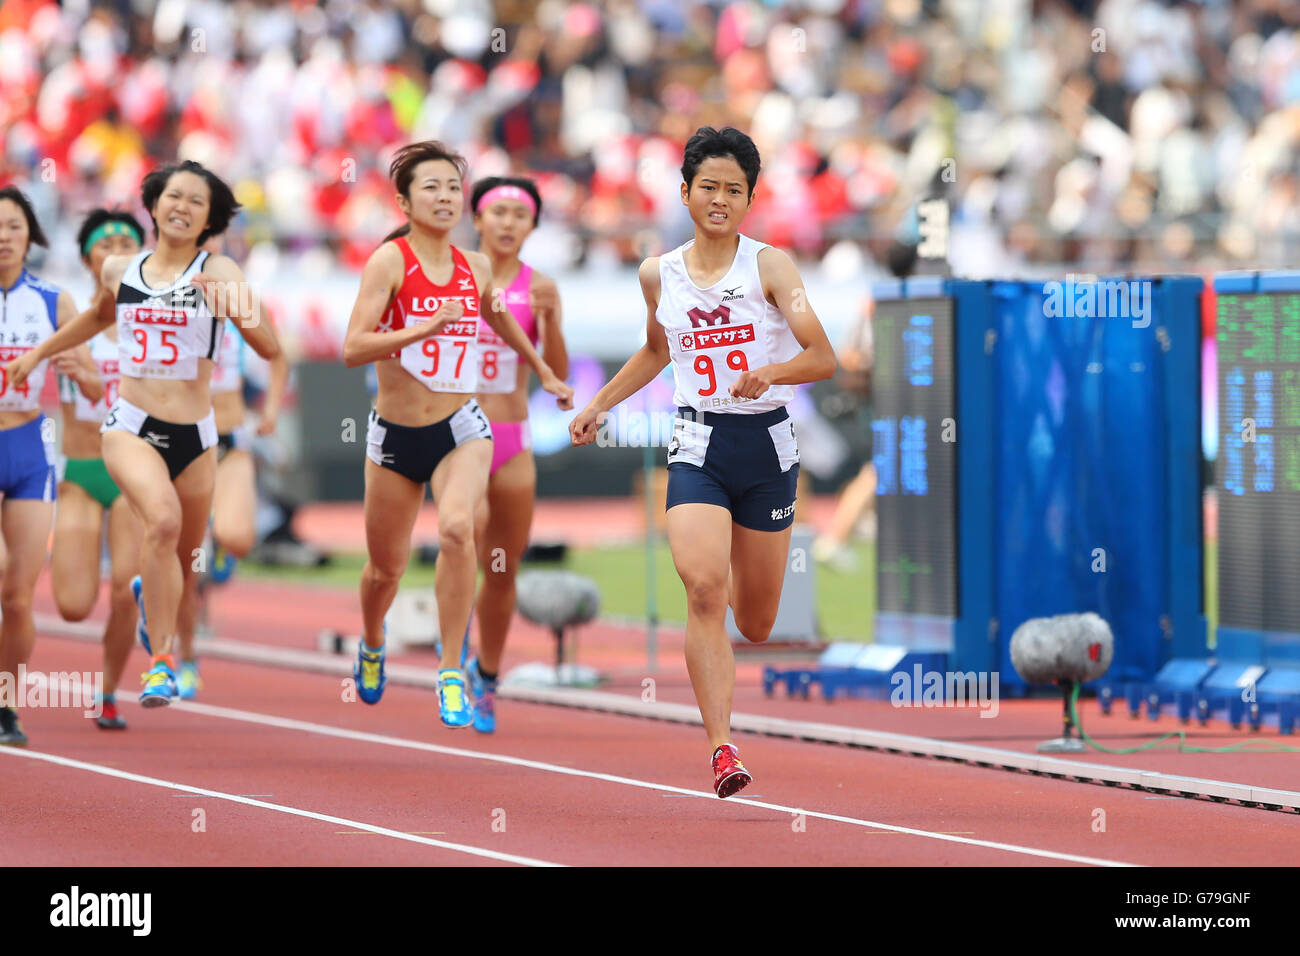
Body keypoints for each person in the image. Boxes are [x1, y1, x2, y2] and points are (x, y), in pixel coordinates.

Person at [569, 127, 836, 797]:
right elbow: (656, 351)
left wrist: (769, 371)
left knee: (757, 619)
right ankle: (722, 746)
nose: (721, 199)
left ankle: (732, 698)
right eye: (709, 187)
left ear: (750, 199)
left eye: (734, 190)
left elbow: (822, 357)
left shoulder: (771, 267)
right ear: (685, 192)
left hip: (767, 445)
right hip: (697, 444)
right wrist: (598, 403)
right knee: (703, 589)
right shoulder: (658, 273)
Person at [6, 159, 283, 708]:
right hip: (129, 425)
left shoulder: (220, 272)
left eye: (196, 202)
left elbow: (270, 347)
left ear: (209, 220)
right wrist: (41, 352)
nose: (181, 207)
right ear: (154, 206)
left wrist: (239, 308)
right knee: (162, 521)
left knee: (180, 556)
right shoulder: (121, 270)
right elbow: (98, 318)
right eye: (172, 196)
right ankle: (162, 661)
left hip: (197, 434)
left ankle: (147, 597)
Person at [342, 141, 572, 728]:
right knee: (384, 570)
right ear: (404, 200)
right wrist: (423, 327)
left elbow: (498, 317)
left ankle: (454, 669)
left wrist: (544, 369)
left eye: (451, 187)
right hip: (396, 434)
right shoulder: (390, 262)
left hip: (464, 426)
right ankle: (372, 640)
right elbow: (352, 348)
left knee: (457, 531)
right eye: (431, 188)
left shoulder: (474, 268)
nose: (444, 197)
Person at [466, 175, 567, 733]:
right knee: (466, 539)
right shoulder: (454, 277)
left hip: (512, 434)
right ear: (477, 219)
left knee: (502, 568)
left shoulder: (540, 287)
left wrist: (550, 318)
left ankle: (486, 674)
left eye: (518, 214)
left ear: (532, 226)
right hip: (458, 434)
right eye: (496, 212)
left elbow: (558, 368)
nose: (507, 223)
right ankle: (453, 658)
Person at [170, 235, 290, 700]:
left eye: (214, 232)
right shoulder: (159, 294)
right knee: (184, 561)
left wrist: (273, 414)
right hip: (181, 439)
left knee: (238, 536)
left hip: (231, 437)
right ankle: (184, 656)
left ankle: (217, 551)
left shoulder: (244, 298)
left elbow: (278, 356)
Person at [51, 209, 147, 729]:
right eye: (104, 242)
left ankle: (108, 692)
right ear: (88, 256)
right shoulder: (69, 319)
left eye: (126, 241)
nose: (114, 247)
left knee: (125, 589)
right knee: (71, 604)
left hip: (132, 472)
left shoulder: (152, 318)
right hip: (83, 471)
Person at [0, 186, 78, 746]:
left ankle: (6, 705)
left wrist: (83, 368)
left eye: (13, 228)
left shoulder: (53, 301)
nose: (3, 239)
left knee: (18, 596)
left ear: (31, 237)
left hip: (30, 449)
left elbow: (93, 381)